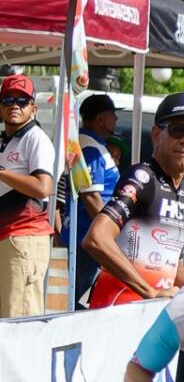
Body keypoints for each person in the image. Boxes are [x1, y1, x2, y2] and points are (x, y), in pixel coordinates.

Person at [85, 92, 184, 308]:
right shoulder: (142, 178)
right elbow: (96, 239)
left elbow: (174, 269)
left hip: (150, 314)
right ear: (155, 135)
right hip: (118, 310)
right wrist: (149, 292)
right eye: (177, 129)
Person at [0, 74, 56, 316]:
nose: (15, 105)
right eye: (9, 99)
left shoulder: (36, 138)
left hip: (23, 236)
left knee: (19, 318)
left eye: (22, 101)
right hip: (8, 236)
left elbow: (43, 187)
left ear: (33, 108)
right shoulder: (6, 140)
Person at [59, 92, 120, 305]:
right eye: (113, 114)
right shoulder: (90, 148)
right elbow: (91, 197)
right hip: (87, 238)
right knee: (71, 301)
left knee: (73, 298)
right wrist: (109, 232)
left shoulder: (89, 143)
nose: (116, 119)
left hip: (85, 236)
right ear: (100, 118)